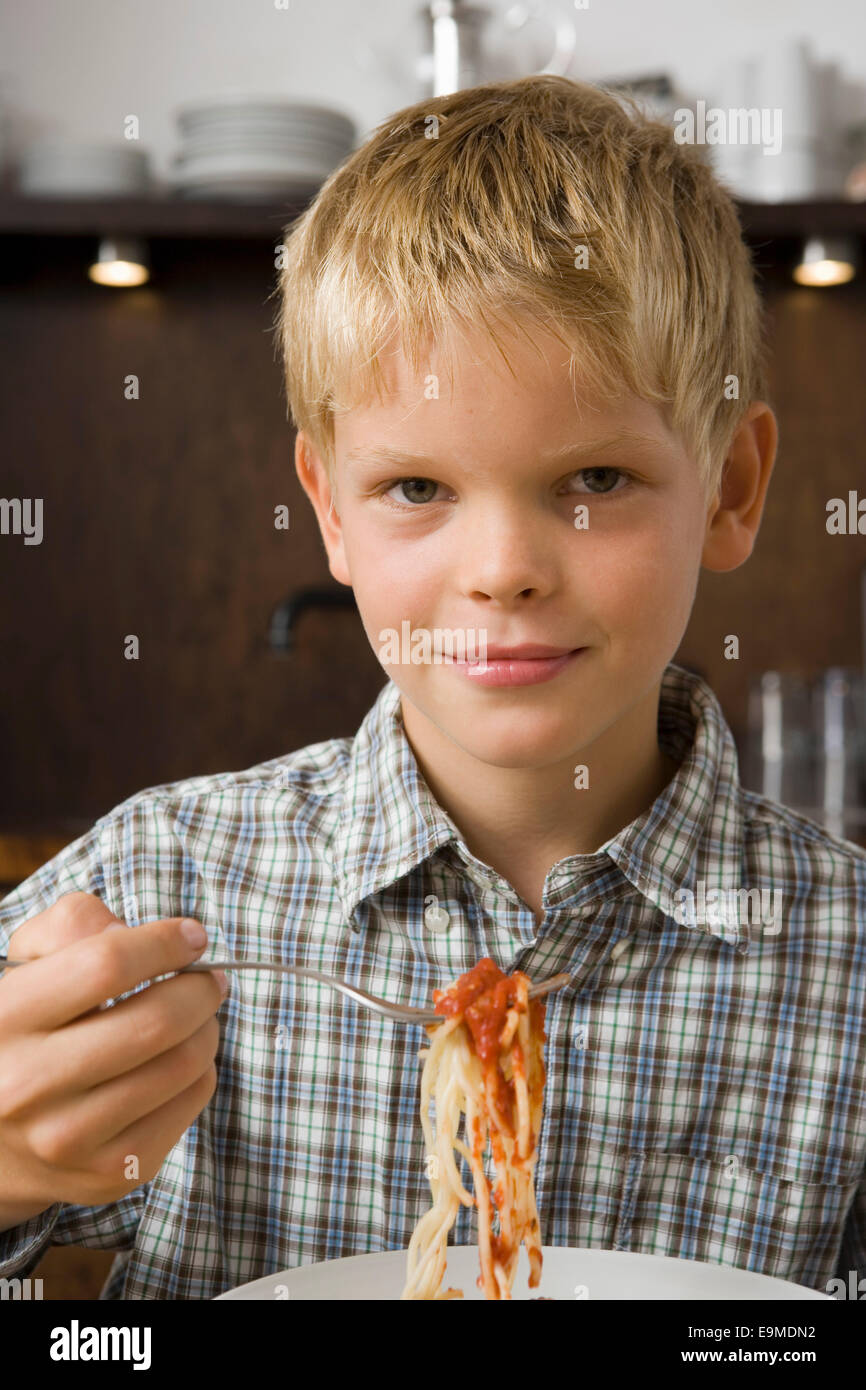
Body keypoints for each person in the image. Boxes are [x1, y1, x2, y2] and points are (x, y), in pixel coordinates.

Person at [1, 75, 863, 1300]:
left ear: (729, 487)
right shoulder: (156, 889)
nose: (502, 571)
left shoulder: (845, 958)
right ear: (329, 512)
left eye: (596, 480)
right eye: (417, 490)